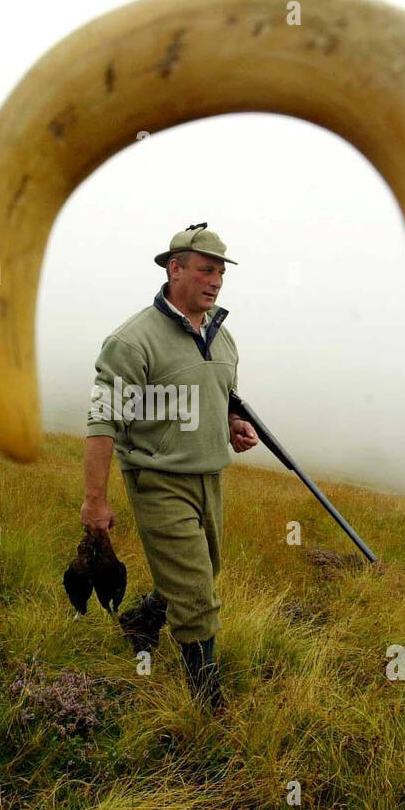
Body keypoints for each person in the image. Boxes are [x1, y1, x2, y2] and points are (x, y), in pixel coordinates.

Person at [81, 223, 258, 713]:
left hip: (209, 476)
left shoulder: (222, 338)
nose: (215, 281)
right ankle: (207, 705)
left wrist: (234, 423)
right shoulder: (132, 341)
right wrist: (95, 500)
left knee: (207, 569)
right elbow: (102, 420)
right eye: (205, 270)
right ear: (174, 268)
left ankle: (141, 620)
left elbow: (222, 399)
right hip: (157, 478)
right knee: (198, 593)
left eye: (221, 273)